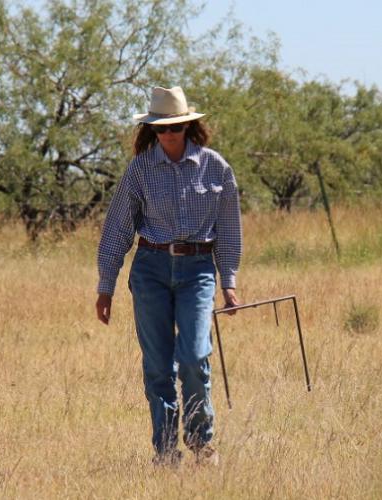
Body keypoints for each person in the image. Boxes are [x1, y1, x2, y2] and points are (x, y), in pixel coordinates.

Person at [95, 86, 242, 467]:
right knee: (159, 365)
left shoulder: (216, 167)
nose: (168, 134)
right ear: (152, 131)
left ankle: (200, 442)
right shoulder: (140, 168)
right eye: (160, 128)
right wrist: (106, 286)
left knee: (194, 355)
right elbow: (117, 229)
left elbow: (228, 229)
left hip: (197, 270)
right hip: (150, 269)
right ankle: (164, 452)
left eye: (175, 126)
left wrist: (229, 282)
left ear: (189, 126)